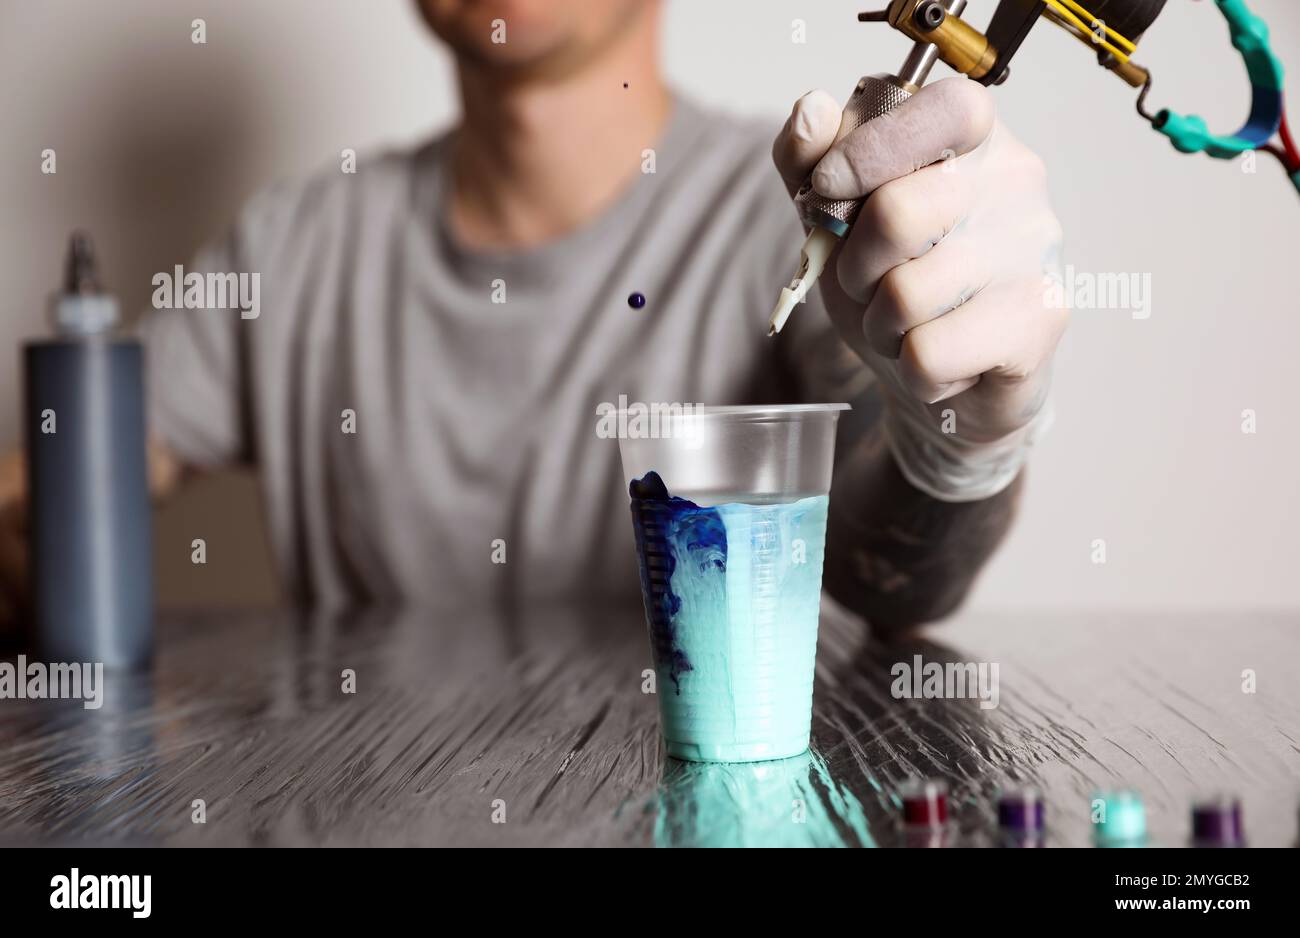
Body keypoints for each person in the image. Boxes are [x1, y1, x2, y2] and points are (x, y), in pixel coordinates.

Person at [0, 0, 1065, 635]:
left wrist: (958, 449)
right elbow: (48, 494)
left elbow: (901, 579)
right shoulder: (295, 245)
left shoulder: (797, 210)